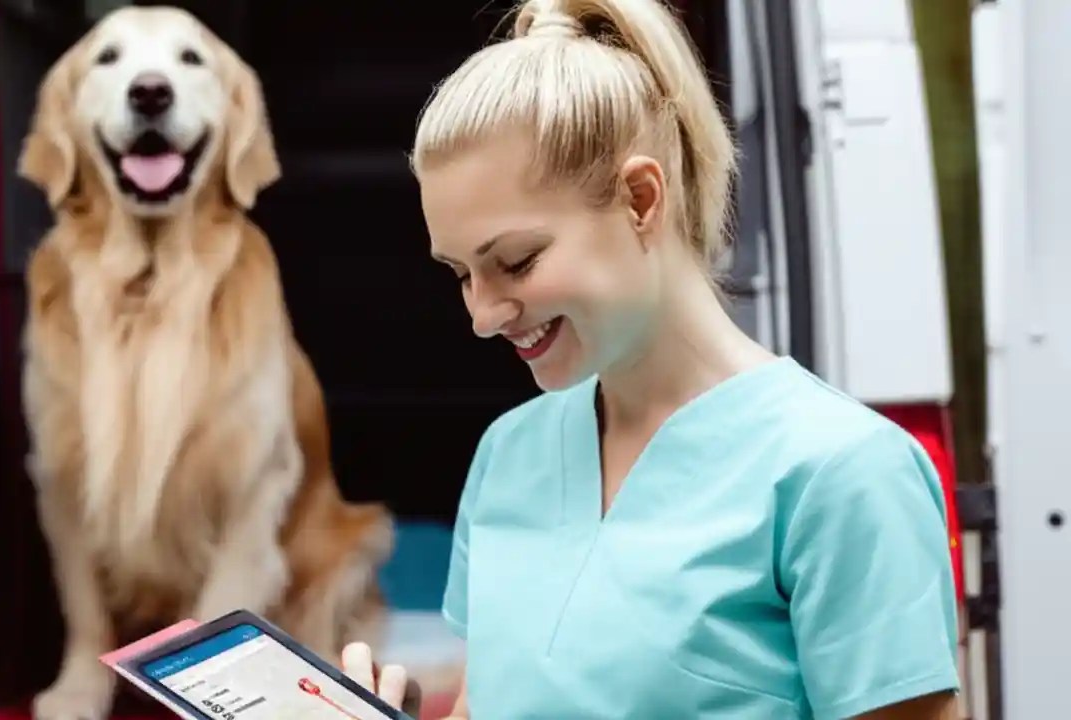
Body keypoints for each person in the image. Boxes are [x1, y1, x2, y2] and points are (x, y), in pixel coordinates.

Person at [342, 0, 962, 717]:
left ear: (641, 199)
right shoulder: (510, 455)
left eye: (515, 261)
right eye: (460, 274)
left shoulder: (842, 475)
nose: (483, 316)